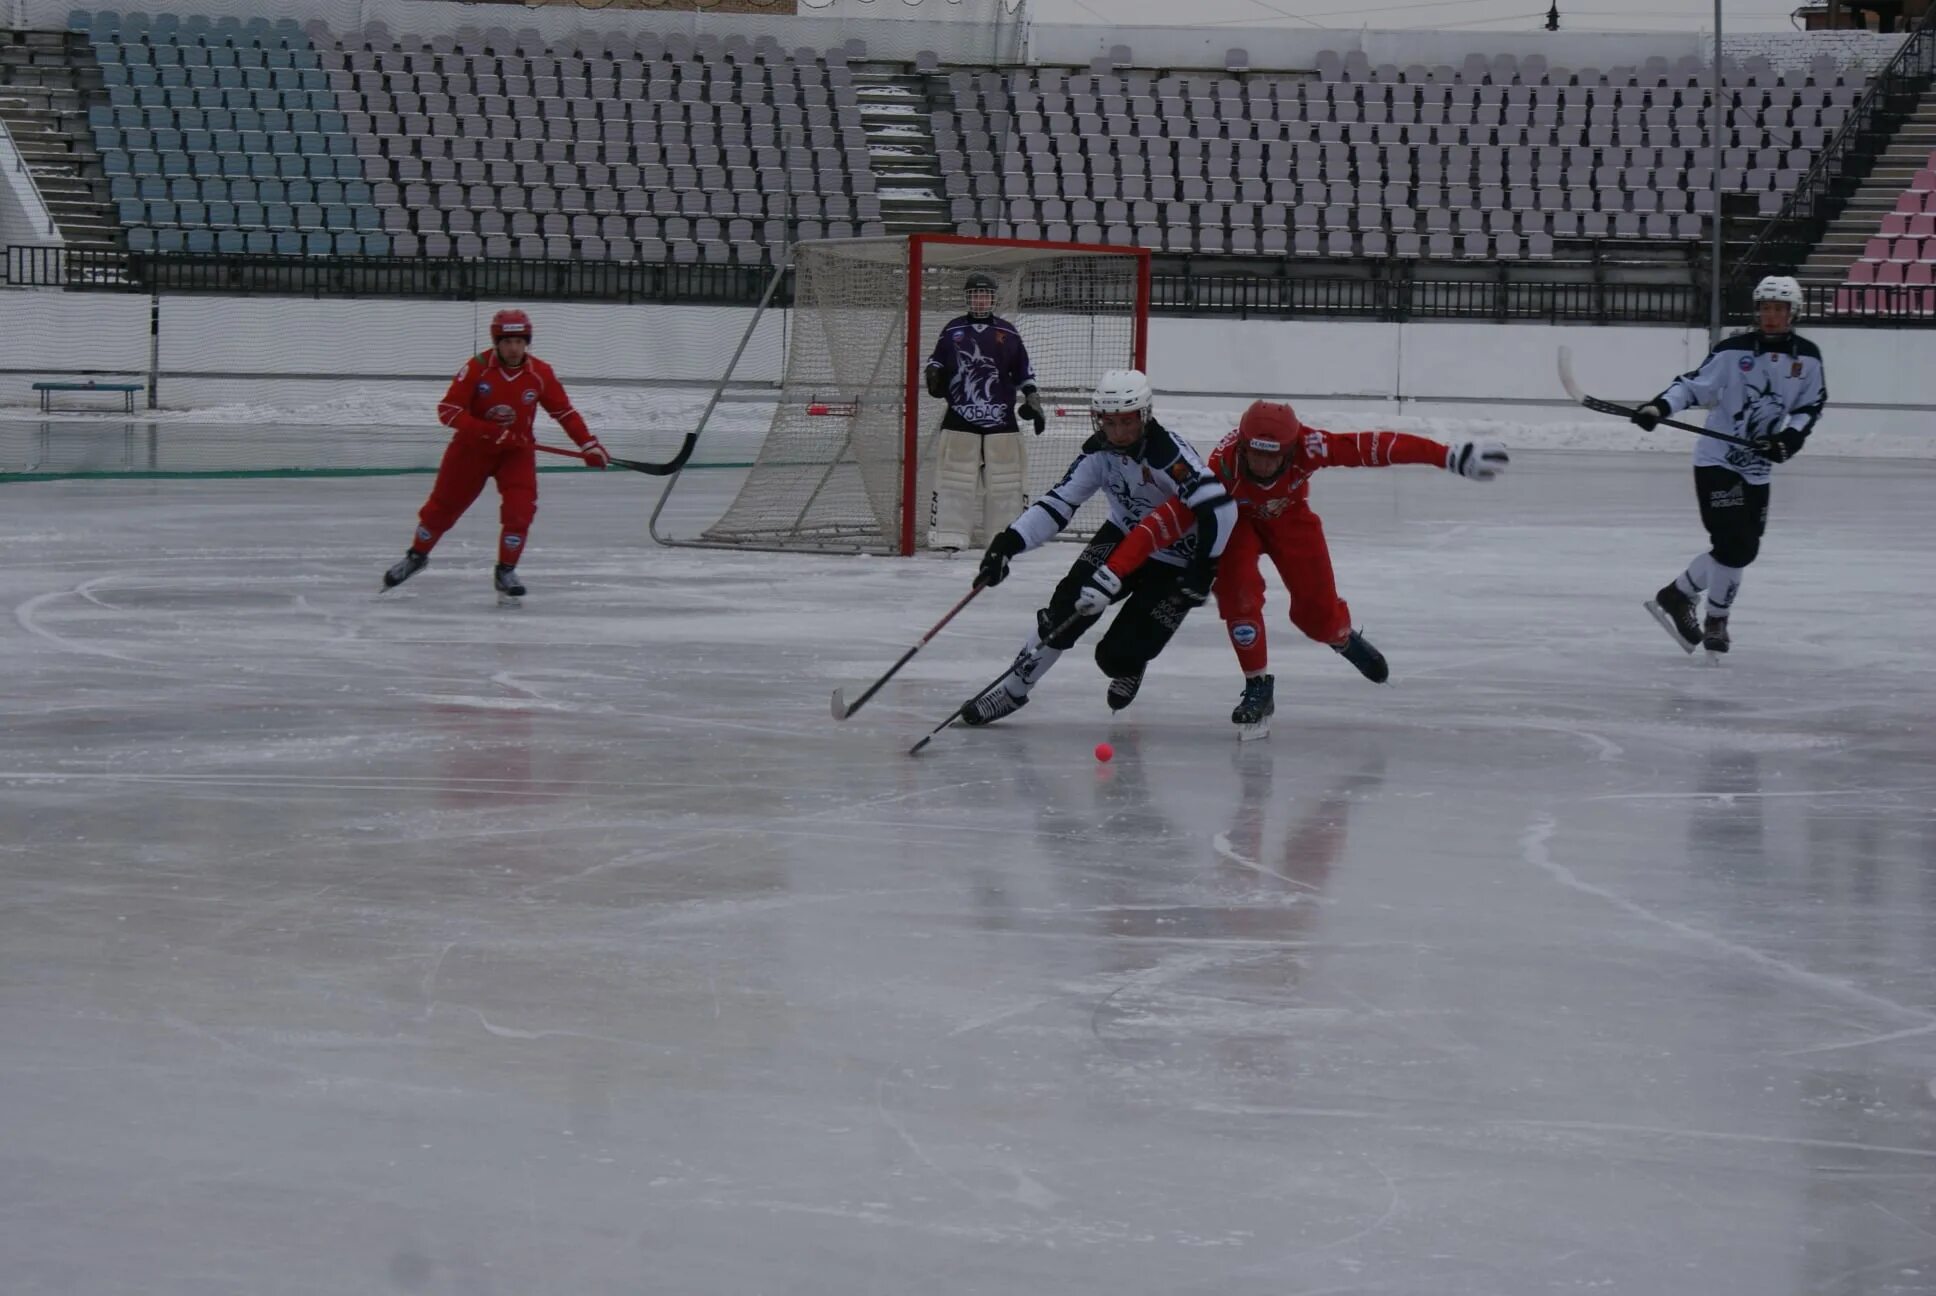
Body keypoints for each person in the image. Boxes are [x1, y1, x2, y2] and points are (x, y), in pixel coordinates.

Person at [1101, 400, 1508, 729]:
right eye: (1254, 457)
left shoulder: (1311, 446)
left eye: (1272, 458)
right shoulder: (1221, 470)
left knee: (1316, 616)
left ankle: (1340, 636)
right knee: (1238, 596)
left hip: (1289, 518)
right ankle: (1258, 685)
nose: (1261, 467)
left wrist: (1448, 456)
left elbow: (1375, 447)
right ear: (1241, 449)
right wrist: (1114, 569)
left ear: (1292, 451)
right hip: (1236, 521)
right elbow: (1161, 524)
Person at [958, 369, 1236, 726]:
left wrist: (1204, 569)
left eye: (1127, 422)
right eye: (1109, 422)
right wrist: (1007, 544)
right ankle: (1012, 690)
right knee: (1062, 615)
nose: (1118, 433)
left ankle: (1131, 665)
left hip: (1177, 559)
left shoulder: (1170, 456)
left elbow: (1221, 510)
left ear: (1145, 417)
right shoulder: (1098, 453)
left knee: (1115, 659)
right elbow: (1058, 504)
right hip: (1122, 535)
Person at [1635, 275, 1826, 658]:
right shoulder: (1732, 352)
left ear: (1793, 312)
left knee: (1743, 550)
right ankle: (1716, 621)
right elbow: (1693, 387)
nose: (1771, 316)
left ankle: (1677, 595)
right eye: (1766, 308)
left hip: (1758, 468)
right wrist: (1659, 407)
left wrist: (1788, 441)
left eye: (1779, 309)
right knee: (1732, 543)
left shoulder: (1807, 357)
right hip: (1717, 460)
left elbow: (1809, 407)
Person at [380, 309, 609, 603]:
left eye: (519, 341)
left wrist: (588, 445)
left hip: (516, 453)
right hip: (470, 452)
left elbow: (564, 412)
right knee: (442, 508)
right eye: (507, 341)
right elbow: (448, 410)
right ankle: (416, 556)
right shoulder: (476, 369)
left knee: (520, 510)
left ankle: (506, 571)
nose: (514, 347)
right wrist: (486, 430)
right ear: (497, 342)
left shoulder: (540, 373)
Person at [924, 270, 1046, 551]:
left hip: (1001, 419)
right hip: (960, 418)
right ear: (968, 298)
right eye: (975, 295)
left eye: (985, 295)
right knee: (954, 478)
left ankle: (1007, 536)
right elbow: (937, 363)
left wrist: (1032, 399)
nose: (980, 300)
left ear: (992, 299)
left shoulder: (1007, 332)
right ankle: (949, 534)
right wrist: (932, 373)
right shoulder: (952, 330)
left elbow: (1024, 371)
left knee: (1007, 481)